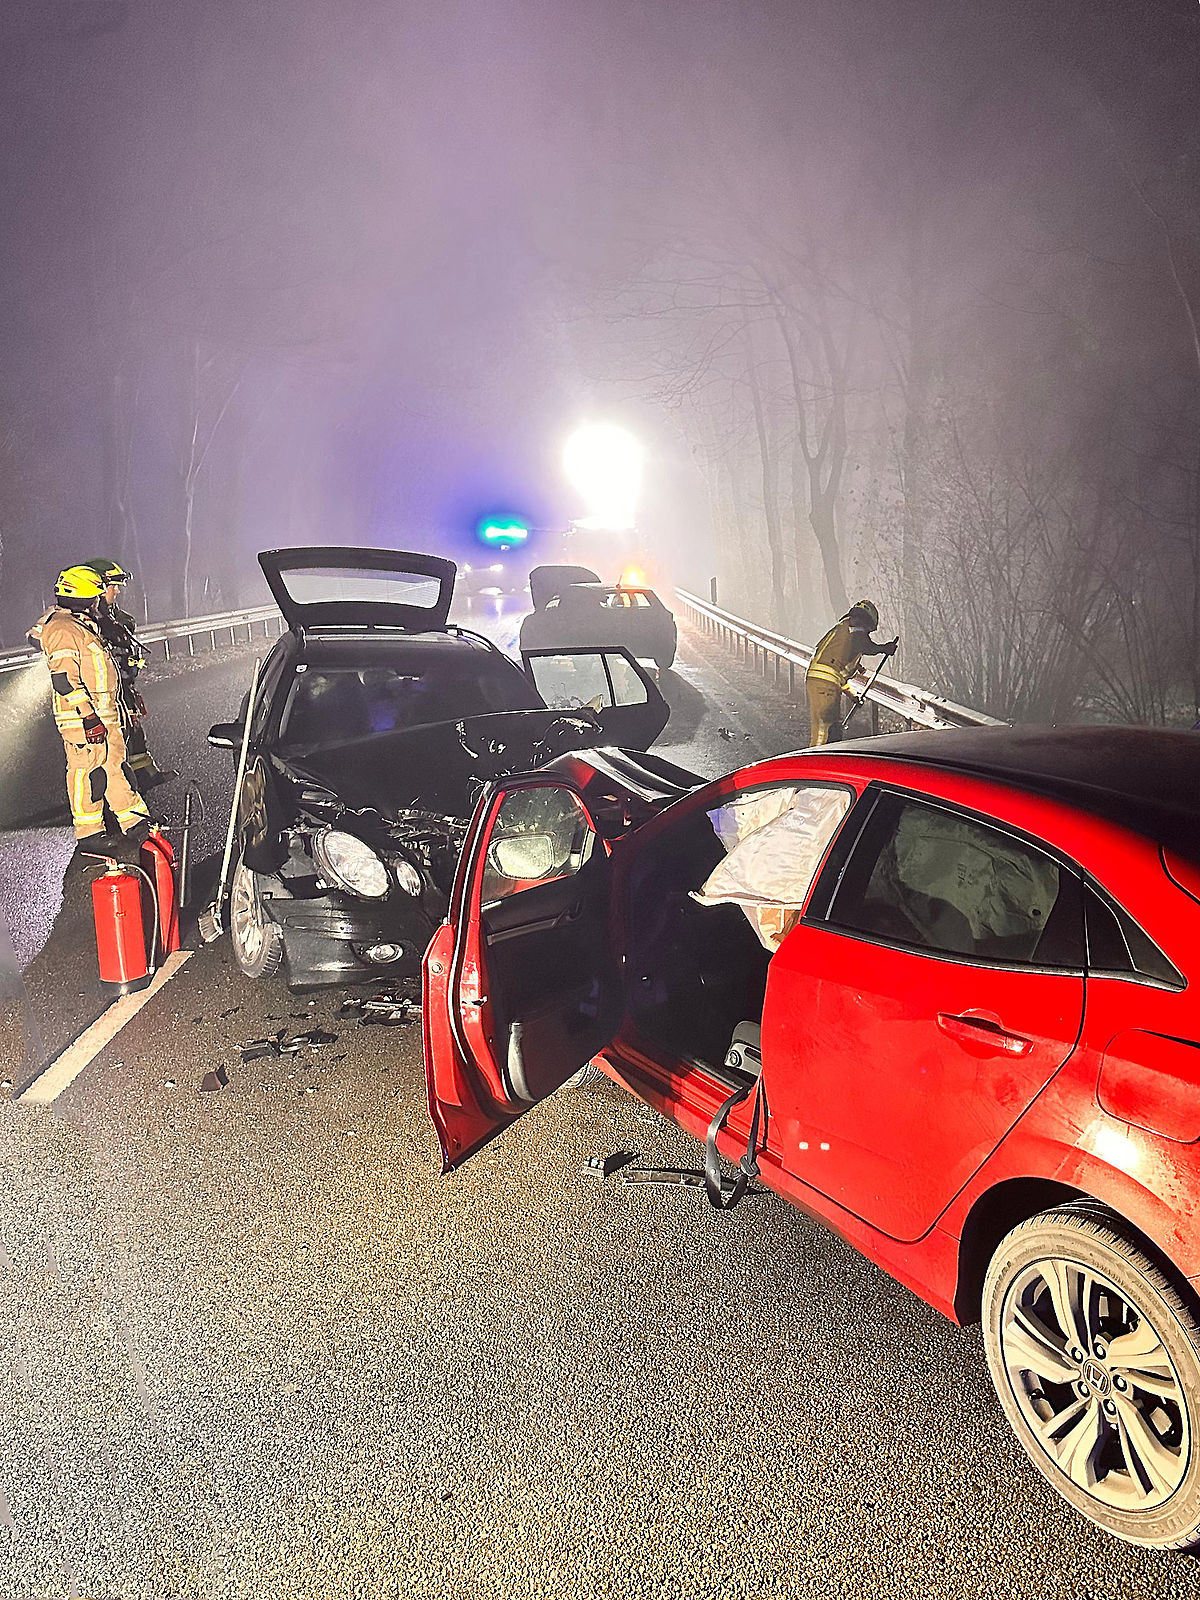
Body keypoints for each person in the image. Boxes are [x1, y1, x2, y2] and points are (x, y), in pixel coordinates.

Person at [33, 566, 151, 853]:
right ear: (87, 597)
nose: (102, 598)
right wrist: (88, 717)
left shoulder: (79, 624)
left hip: (102, 715)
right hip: (83, 719)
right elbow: (63, 680)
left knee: (114, 767)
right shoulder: (61, 628)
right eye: (97, 594)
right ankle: (89, 833)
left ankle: (134, 821)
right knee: (87, 772)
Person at [82, 558, 175, 791]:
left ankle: (143, 775)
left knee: (133, 732)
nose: (117, 591)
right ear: (96, 585)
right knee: (113, 742)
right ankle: (116, 791)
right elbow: (39, 636)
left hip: (123, 687)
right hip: (101, 694)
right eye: (112, 585)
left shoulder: (112, 615)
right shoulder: (75, 616)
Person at [805, 599, 898, 747]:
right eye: (869, 629)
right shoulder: (855, 628)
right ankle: (816, 760)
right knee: (825, 727)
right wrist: (883, 648)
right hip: (825, 684)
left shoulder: (844, 634)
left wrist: (852, 694)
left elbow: (839, 676)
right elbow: (865, 645)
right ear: (866, 621)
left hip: (822, 682)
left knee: (829, 725)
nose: (867, 633)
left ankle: (824, 755)